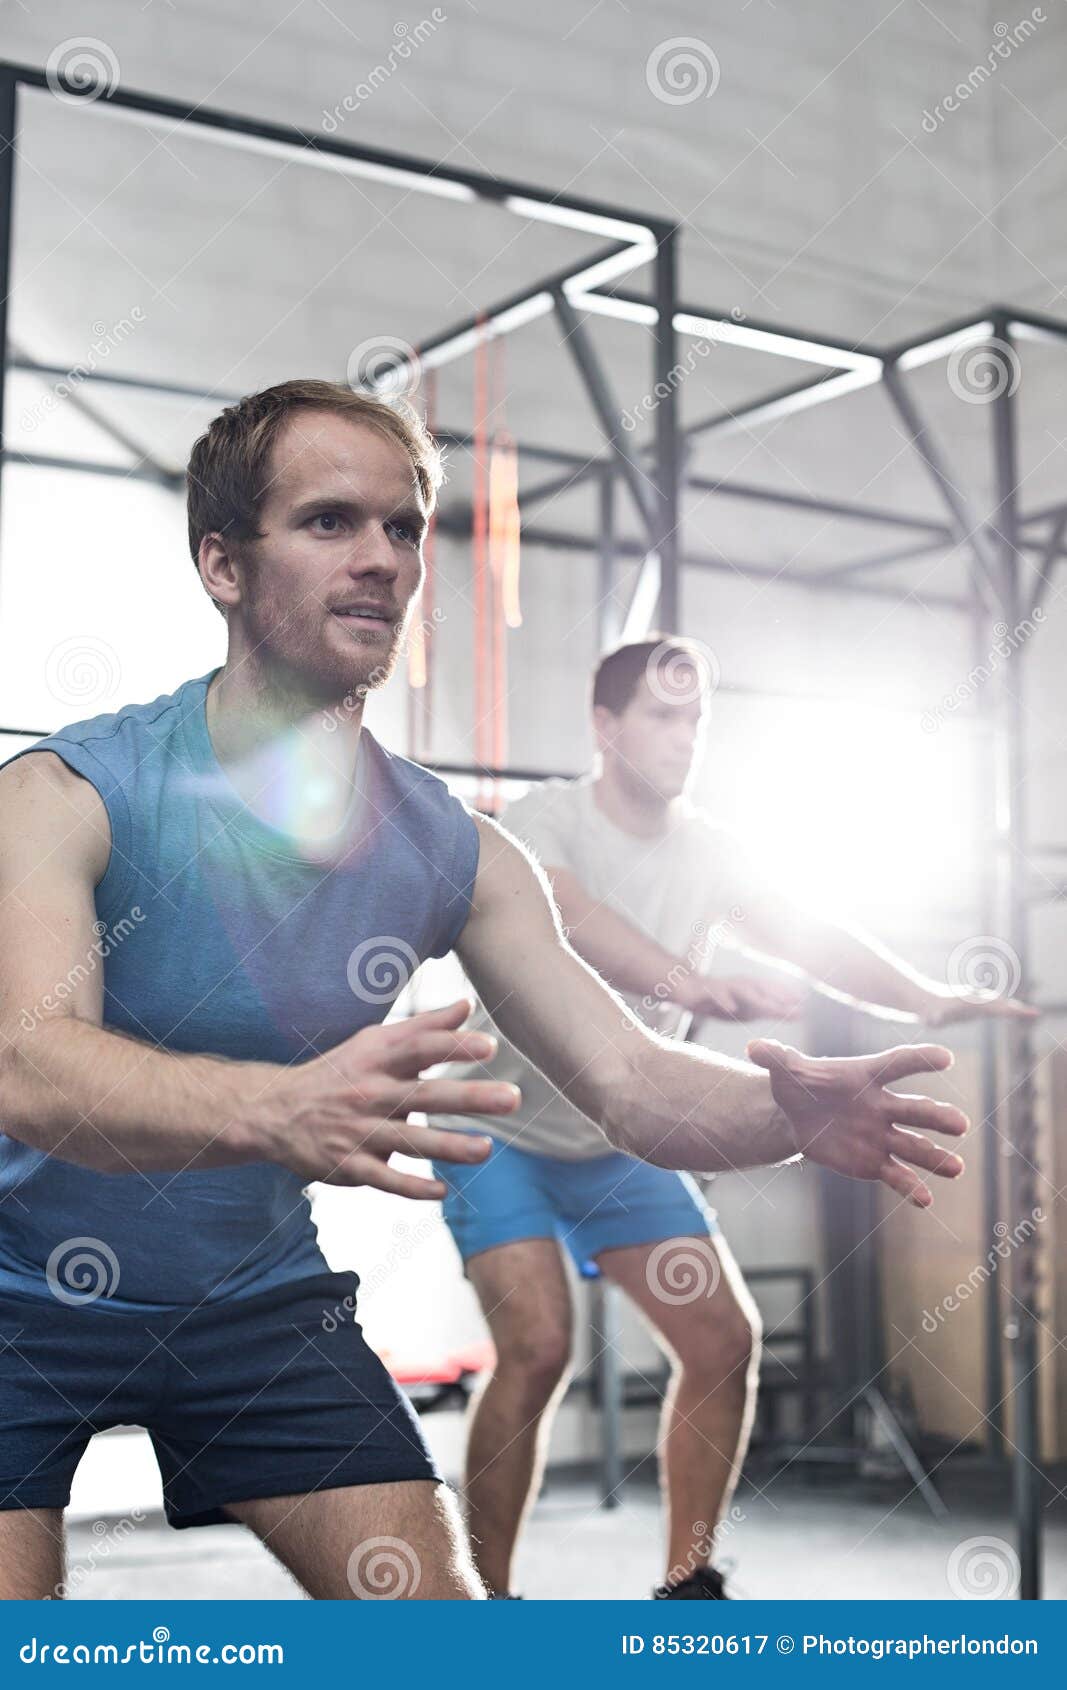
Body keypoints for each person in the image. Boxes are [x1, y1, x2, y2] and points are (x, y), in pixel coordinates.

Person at [0, 380, 972, 1602]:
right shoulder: (65, 792)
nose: (379, 561)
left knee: (446, 1650)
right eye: (327, 523)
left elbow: (628, 1080)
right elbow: (27, 1065)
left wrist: (792, 1115)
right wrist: (276, 1107)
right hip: (17, 1293)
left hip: (251, 1307)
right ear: (222, 565)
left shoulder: (454, 849)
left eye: (402, 528)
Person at [431, 636, 1033, 1601]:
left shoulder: (710, 850)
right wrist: (693, 981)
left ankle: (687, 1581)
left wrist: (925, 998)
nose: (685, 737)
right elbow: (569, 915)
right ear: (605, 727)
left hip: (626, 1134)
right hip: (499, 1124)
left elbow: (810, 934)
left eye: (698, 717)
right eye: (663, 716)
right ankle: (485, 1604)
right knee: (537, 1346)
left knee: (722, 1338)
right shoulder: (540, 821)